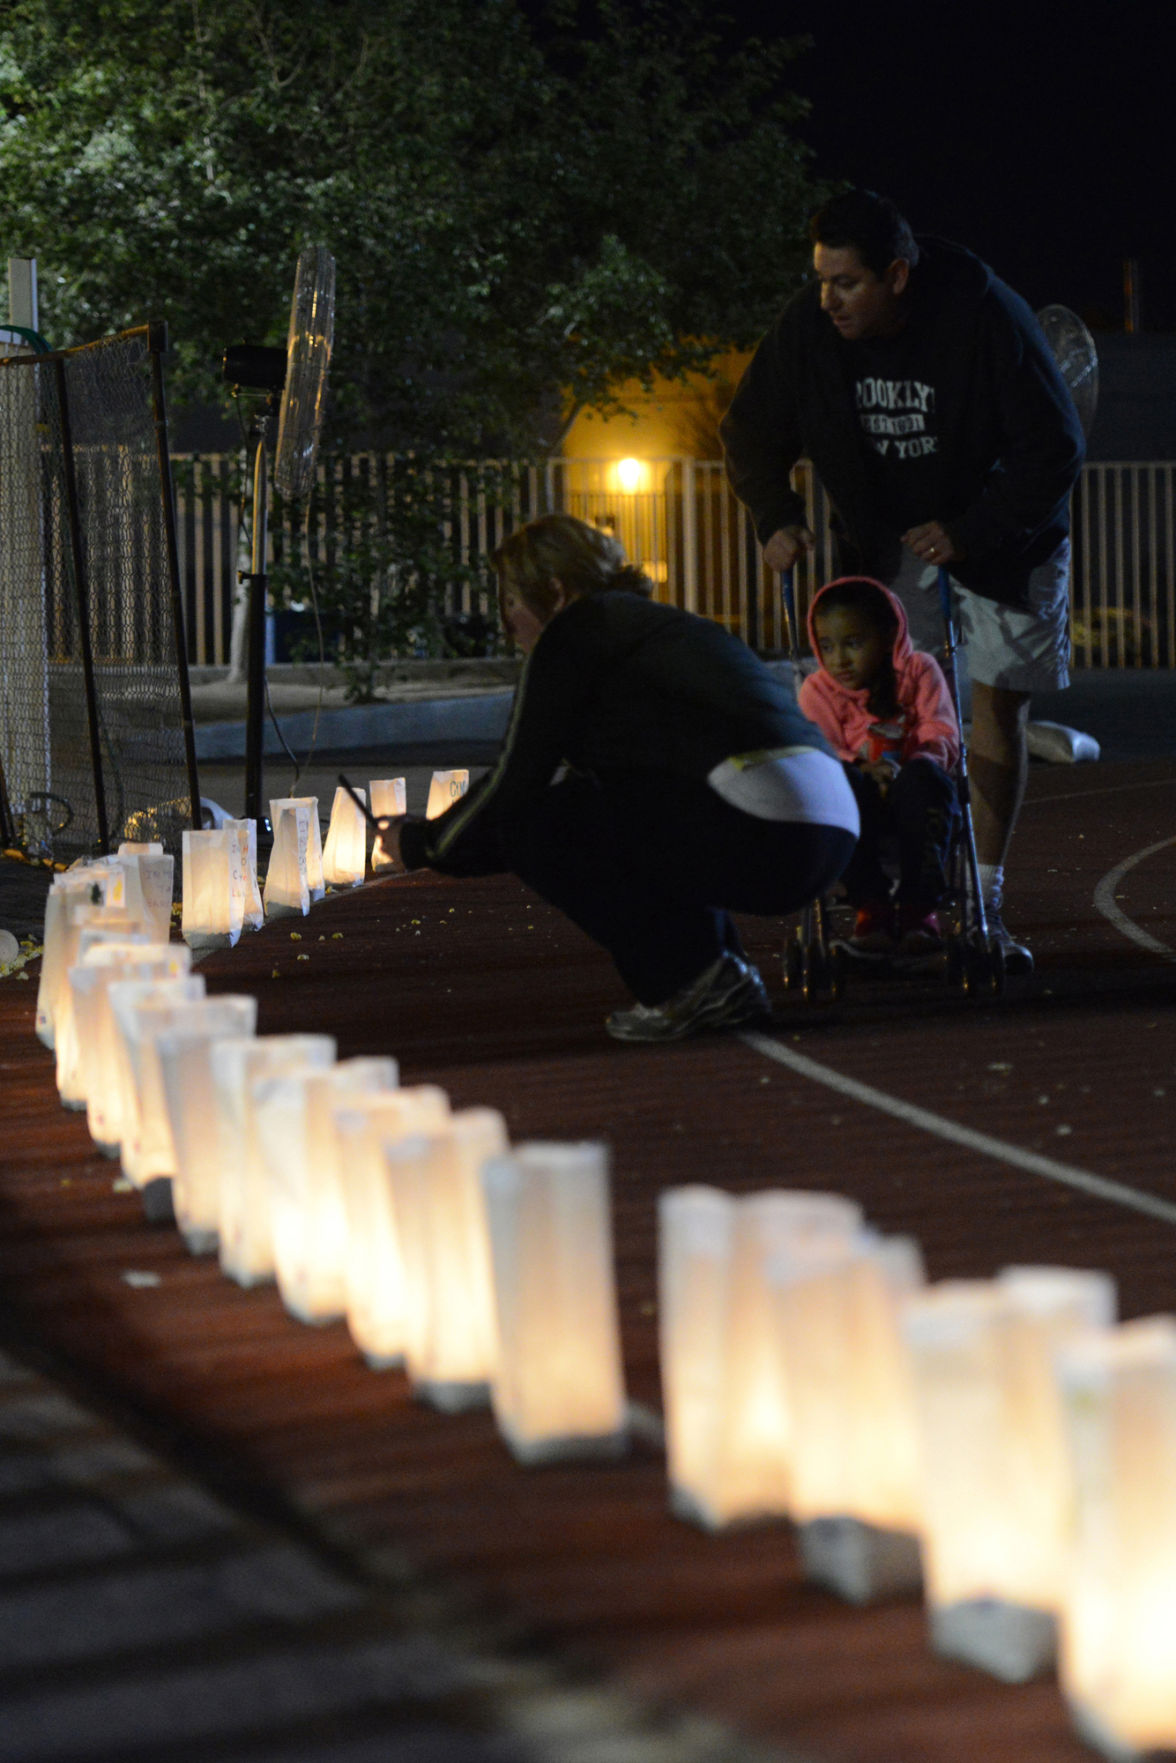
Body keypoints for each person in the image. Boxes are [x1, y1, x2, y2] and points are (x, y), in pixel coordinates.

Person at [720, 188, 1085, 973]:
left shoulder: (984, 318)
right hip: (891, 538)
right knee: (887, 705)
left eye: (846, 283)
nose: (828, 300)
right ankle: (895, 894)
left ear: (896, 275)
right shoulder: (809, 329)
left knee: (991, 699)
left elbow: (1053, 445)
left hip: (1002, 535)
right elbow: (751, 426)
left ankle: (983, 900)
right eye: (821, 280)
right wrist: (774, 513)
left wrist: (971, 530)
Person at [375, 513, 860, 1043]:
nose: (509, 623)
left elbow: (515, 786)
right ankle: (716, 975)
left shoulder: (575, 632)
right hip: (831, 826)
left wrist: (421, 843)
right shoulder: (656, 625)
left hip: (761, 825)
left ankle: (694, 980)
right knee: (624, 807)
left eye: (512, 601)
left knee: (547, 821)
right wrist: (451, 849)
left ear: (555, 591)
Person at [799, 576, 960, 958]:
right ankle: (871, 907)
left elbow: (941, 732)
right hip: (858, 799)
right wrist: (861, 766)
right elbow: (820, 747)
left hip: (913, 793)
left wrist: (911, 764)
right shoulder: (818, 690)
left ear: (888, 636)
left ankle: (919, 910)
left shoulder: (919, 671)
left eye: (853, 643)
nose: (839, 658)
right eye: (827, 646)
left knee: (927, 779)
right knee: (835, 783)